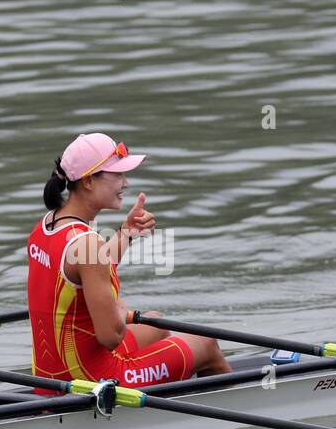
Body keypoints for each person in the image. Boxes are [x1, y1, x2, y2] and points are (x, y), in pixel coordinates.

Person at [27, 133, 230, 391]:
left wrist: (127, 232)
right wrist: (119, 311)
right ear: (88, 181)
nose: (126, 183)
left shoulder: (47, 226)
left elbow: (89, 269)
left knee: (156, 324)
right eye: (118, 175)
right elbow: (110, 337)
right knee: (207, 343)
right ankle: (246, 416)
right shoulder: (88, 244)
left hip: (49, 376)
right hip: (91, 382)